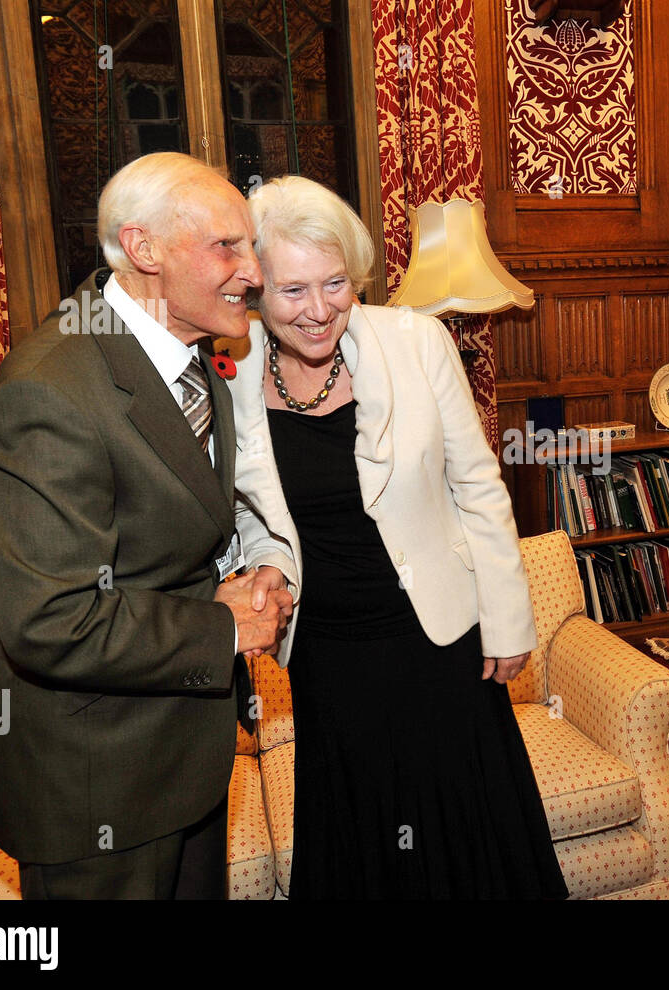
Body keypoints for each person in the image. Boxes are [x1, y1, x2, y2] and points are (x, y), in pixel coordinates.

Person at [0, 152, 297, 899]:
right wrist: (224, 628)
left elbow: (174, 524)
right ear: (143, 250)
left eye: (253, 248)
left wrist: (255, 565)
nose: (256, 275)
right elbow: (49, 619)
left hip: (184, 763)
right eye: (227, 248)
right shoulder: (49, 390)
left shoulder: (194, 358)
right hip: (94, 783)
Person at [227, 174, 567, 899]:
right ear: (255, 288)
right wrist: (254, 575)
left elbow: (477, 485)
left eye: (335, 284)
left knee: (469, 833)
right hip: (327, 654)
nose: (319, 311)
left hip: (438, 640)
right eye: (292, 291)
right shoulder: (226, 374)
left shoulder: (416, 341)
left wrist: (507, 620)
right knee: (366, 839)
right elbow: (231, 515)